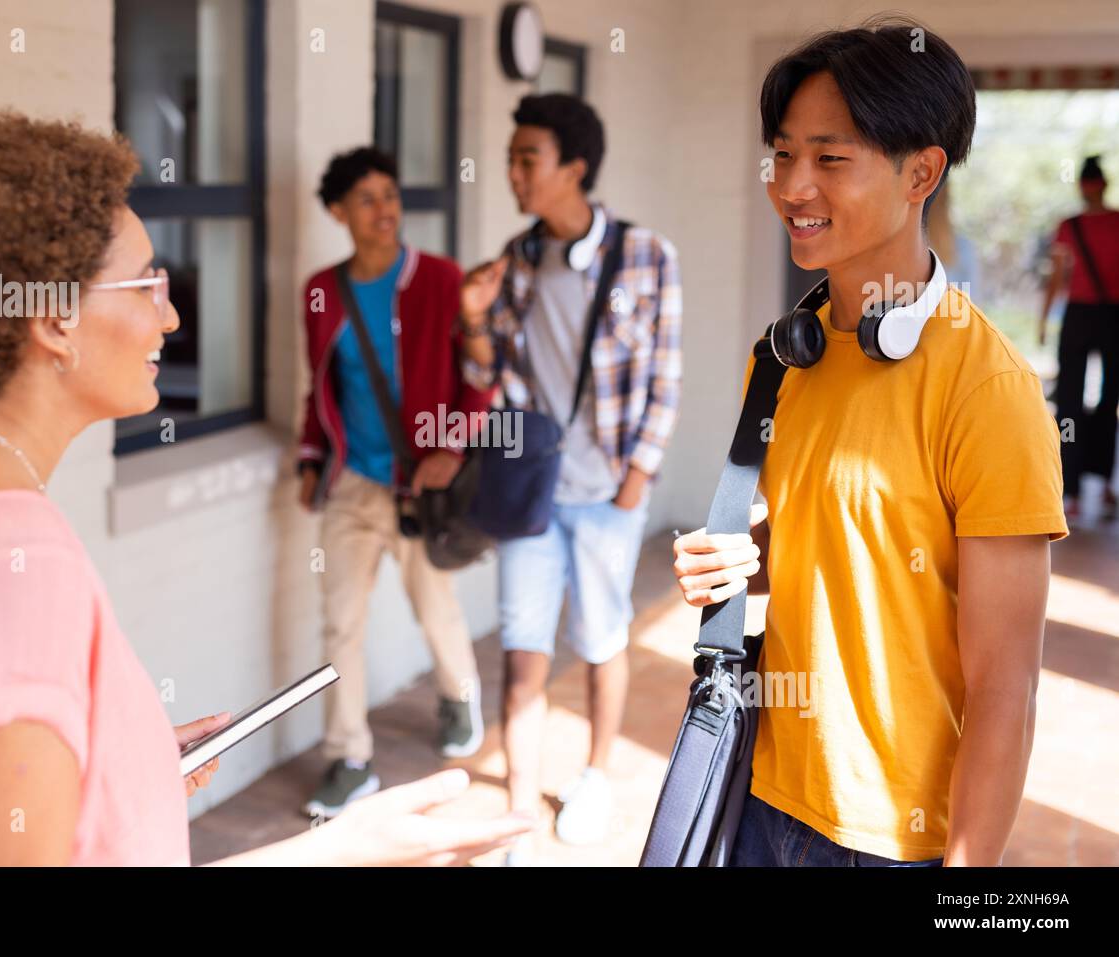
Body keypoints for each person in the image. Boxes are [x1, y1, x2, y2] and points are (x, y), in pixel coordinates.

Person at [0, 112, 532, 866]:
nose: (172, 313)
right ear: (55, 319)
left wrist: (115, 773)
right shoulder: (10, 580)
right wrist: (336, 853)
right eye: (147, 283)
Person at [674, 17, 1066, 866]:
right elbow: (814, 551)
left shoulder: (988, 390)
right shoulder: (782, 359)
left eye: (829, 157)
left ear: (921, 171)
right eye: (782, 155)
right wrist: (734, 560)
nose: (792, 186)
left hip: (896, 840)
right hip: (761, 794)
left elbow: (1008, 690)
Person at [460, 94, 683, 862]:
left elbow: (666, 372)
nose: (514, 172)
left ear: (574, 168)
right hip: (533, 489)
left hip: (608, 492)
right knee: (523, 647)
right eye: (512, 158)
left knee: (600, 637)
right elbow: (485, 379)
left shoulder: (647, 255)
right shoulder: (515, 261)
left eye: (529, 158)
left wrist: (639, 474)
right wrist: (472, 317)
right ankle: (520, 810)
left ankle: (594, 774)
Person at [296, 148, 491, 819]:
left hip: (421, 486)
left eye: (390, 194)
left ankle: (458, 693)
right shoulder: (321, 290)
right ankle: (348, 757)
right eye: (367, 199)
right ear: (338, 212)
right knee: (339, 624)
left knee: (436, 610)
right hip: (353, 483)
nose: (385, 210)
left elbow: (481, 379)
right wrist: (308, 456)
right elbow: (319, 386)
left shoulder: (440, 279)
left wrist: (453, 448)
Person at [1040, 154, 1119, 520]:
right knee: (1108, 400)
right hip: (1112, 317)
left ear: (1084, 186)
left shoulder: (1068, 226)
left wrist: (1043, 319)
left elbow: (1056, 279)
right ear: (1103, 184)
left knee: (1069, 401)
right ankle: (1101, 485)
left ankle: (1069, 492)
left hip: (1079, 316)